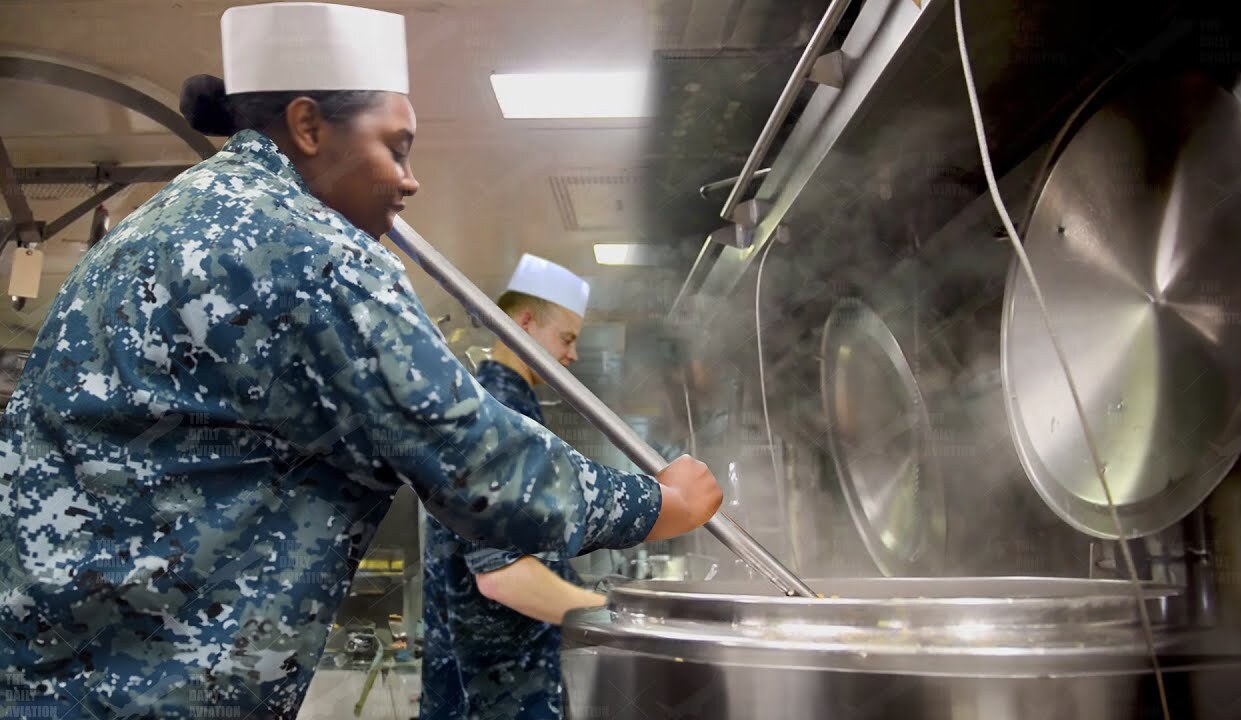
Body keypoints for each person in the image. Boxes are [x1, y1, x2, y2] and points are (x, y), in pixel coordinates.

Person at [0, 4, 722, 718]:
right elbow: (483, 471)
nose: (409, 181)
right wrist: (664, 504)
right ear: (309, 125)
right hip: (156, 692)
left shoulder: (155, 224)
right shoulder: (311, 253)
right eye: (396, 147)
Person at [419, 255, 605, 720]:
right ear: (525, 321)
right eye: (566, 337)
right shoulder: (500, 413)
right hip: (493, 698)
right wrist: (612, 618)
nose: (573, 354)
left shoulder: (503, 407)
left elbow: (525, 548)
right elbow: (505, 576)